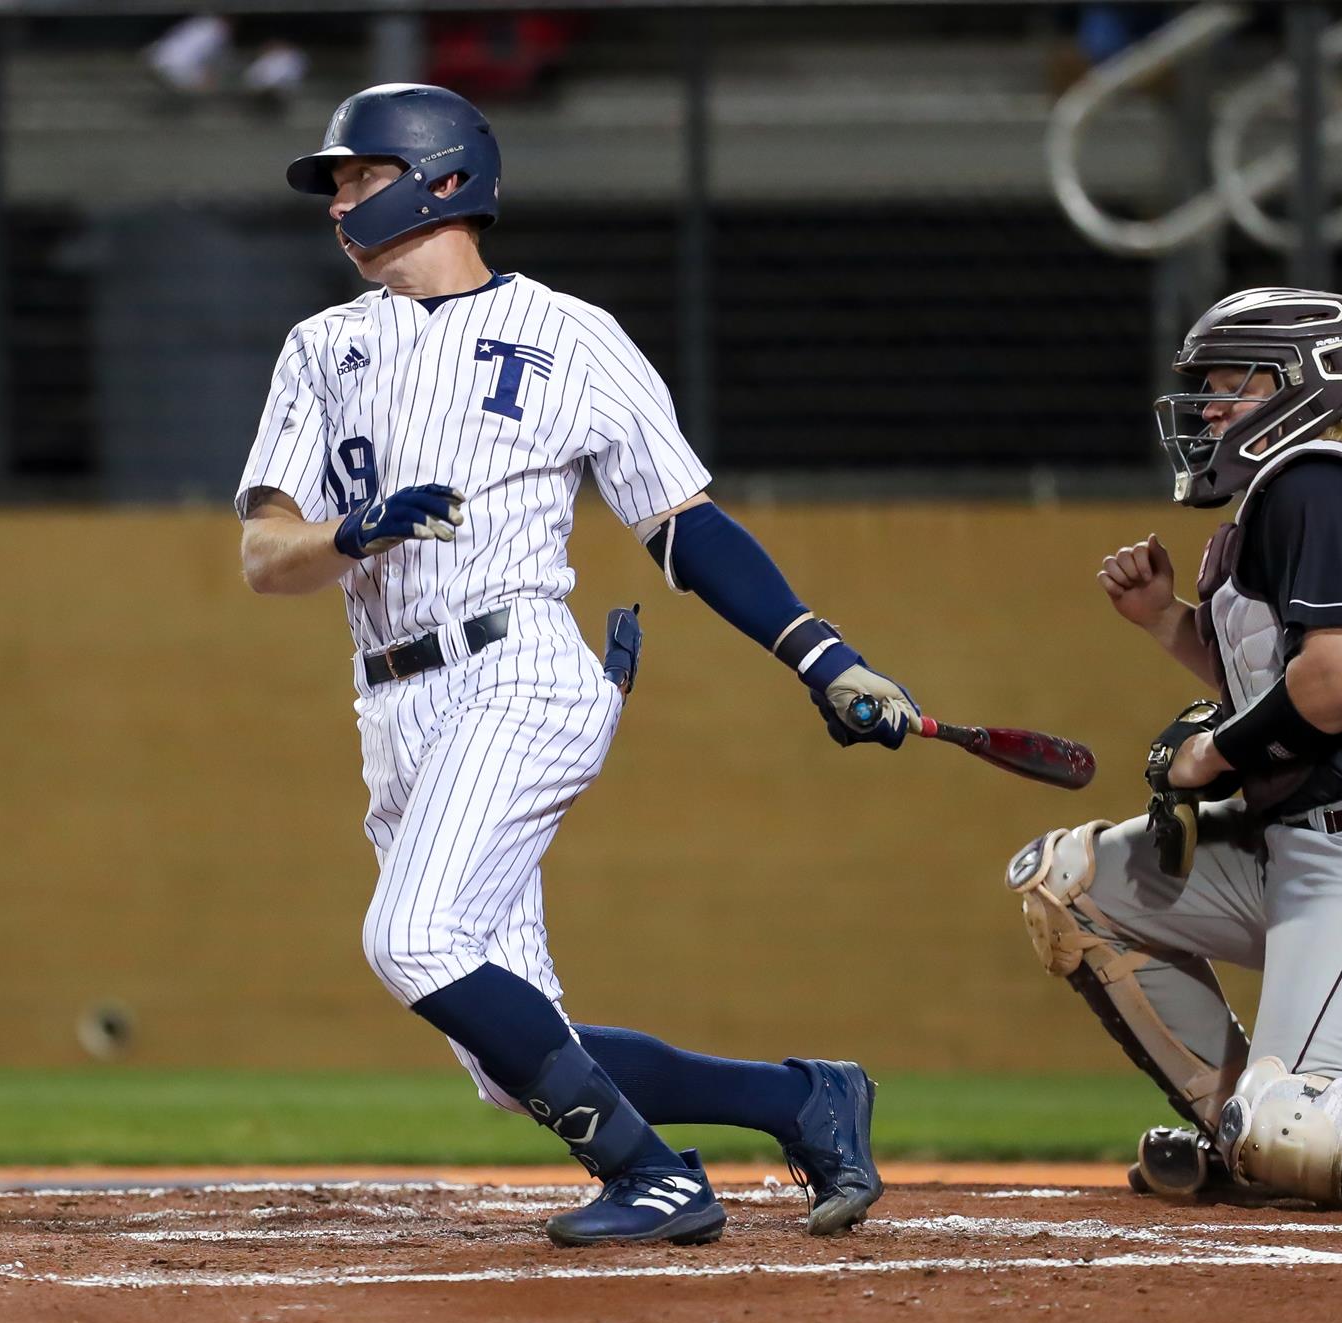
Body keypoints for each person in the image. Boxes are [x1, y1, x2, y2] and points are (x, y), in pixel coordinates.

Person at [235, 83, 920, 1246]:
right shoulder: (321, 344)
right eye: (339, 183)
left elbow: (682, 523)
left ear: (443, 180)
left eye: (357, 174)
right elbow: (266, 555)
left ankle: (654, 1178)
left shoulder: (572, 334)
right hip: (393, 700)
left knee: (410, 940)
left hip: (521, 672)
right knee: (514, 1060)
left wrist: (825, 659)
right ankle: (801, 1097)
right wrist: (357, 533)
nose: (340, 199)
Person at [1005, 286, 1342, 1207]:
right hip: (1313, 835)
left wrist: (1211, 754)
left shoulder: (1315, 483)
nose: (1212, 408)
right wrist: (1166, 624)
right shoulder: (1289, 498)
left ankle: (1266, 1127)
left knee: (1295, 1120)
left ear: (1305, 387)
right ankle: (1235, 1129)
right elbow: (1286, 680)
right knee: (1070, 883)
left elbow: (1339, 680)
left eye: (1235, 385)